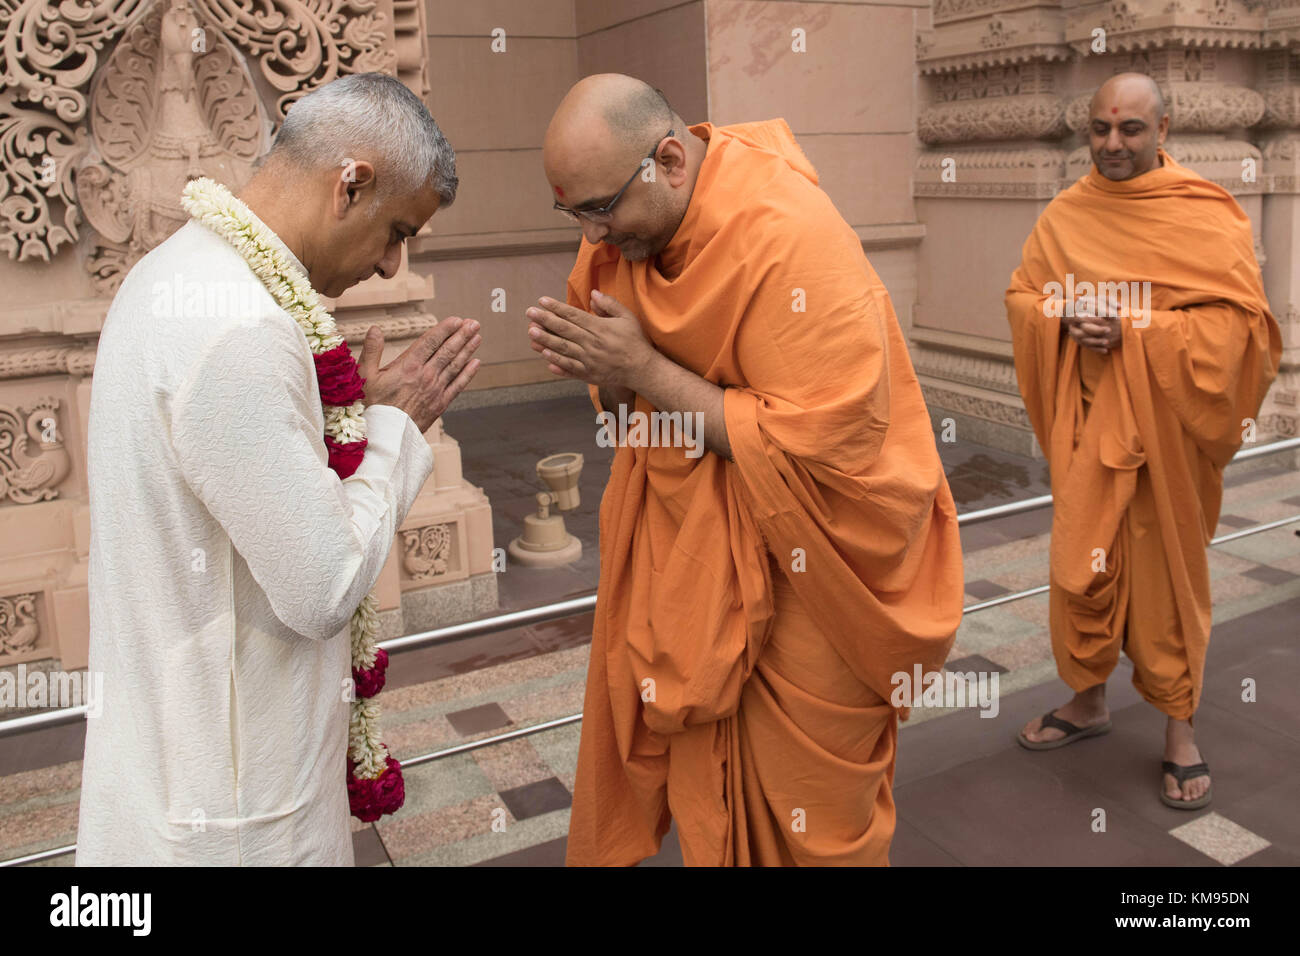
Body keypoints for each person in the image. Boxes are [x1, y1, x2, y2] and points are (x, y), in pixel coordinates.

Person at [528, 73, 964, 865]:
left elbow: (825, 444)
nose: (592, 238)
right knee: (714, 802)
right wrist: (613, 372)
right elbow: (624, 408)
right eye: (574, 215)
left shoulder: (787, 232)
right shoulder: (630, 234)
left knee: (818, 826)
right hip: (698, 561)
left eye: (599, 210)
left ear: (668, 158)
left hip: (812, 571)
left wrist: (647, 369)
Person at [77, 73, 481, 864]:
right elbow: (321, 586)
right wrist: (397, 431)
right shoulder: (244, 329)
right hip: (238, 813)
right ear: (350, 182)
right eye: (398, 229)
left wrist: (345, 420)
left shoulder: (173, 275)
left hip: (173, 766)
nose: (394, 265)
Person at [1006, 73, 1281, 809]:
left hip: (1168, 435)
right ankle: (1089, 702)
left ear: (1164, 129)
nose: (1112, 144)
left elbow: (1244, 333)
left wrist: (1135, 331)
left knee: (1168, 579)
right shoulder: (1068, 212)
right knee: (1084, 568)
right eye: (1100, 129)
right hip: (1091, 430)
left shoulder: (1203, 212)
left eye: (1130, 130)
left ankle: (1179, 731)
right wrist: (1065, 319)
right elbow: (1025, 296)